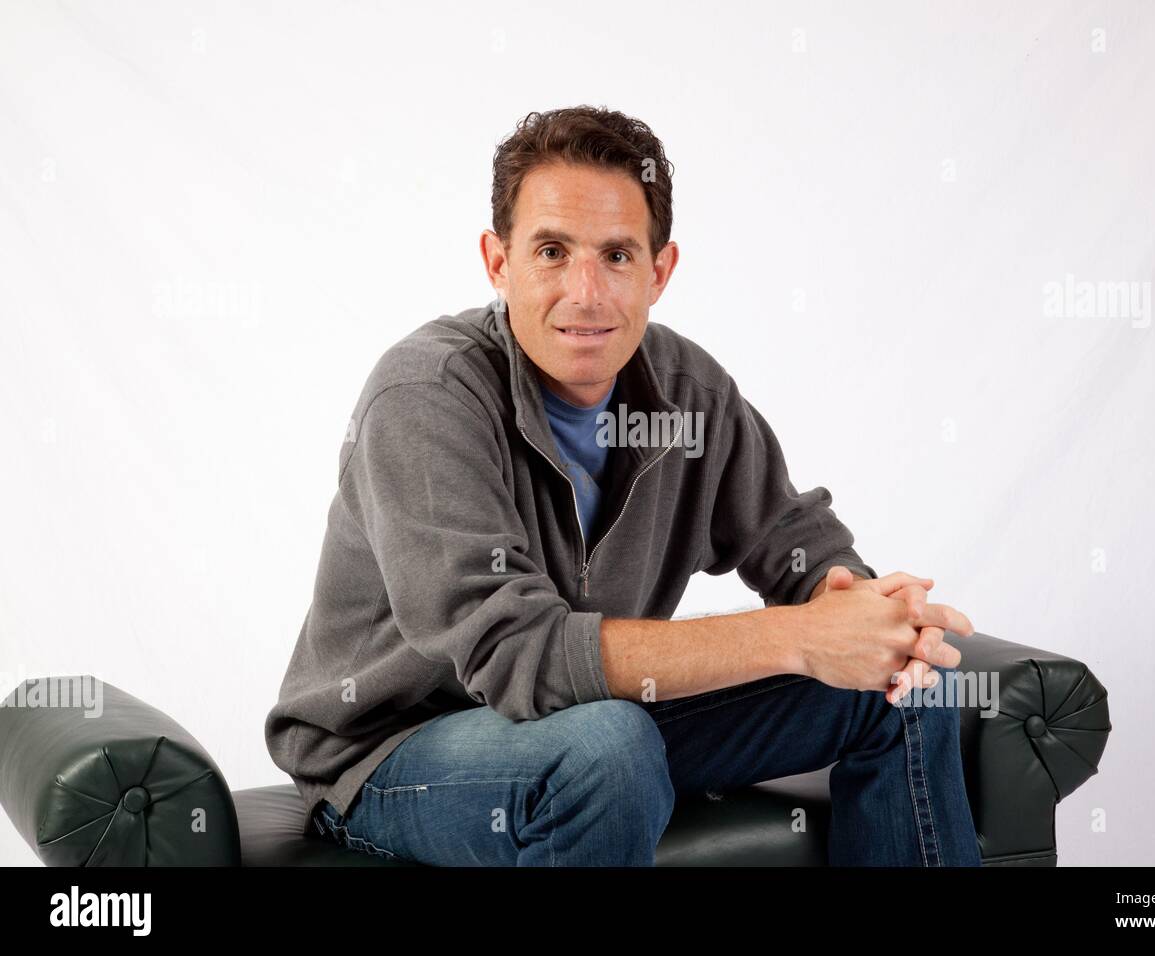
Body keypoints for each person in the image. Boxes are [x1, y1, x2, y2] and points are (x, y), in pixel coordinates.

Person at [264, 105, 982, 866]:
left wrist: (865, 616)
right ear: (497, 262)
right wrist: (796, 638)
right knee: (608, 747)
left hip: (599, 714)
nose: (585, 292)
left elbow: (796, 545)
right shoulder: (425, 395)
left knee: (906, 682)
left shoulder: (685, 393)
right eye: (550, 250)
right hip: (396, 748)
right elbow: (521, 655)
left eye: (615, 255)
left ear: (659, 271)